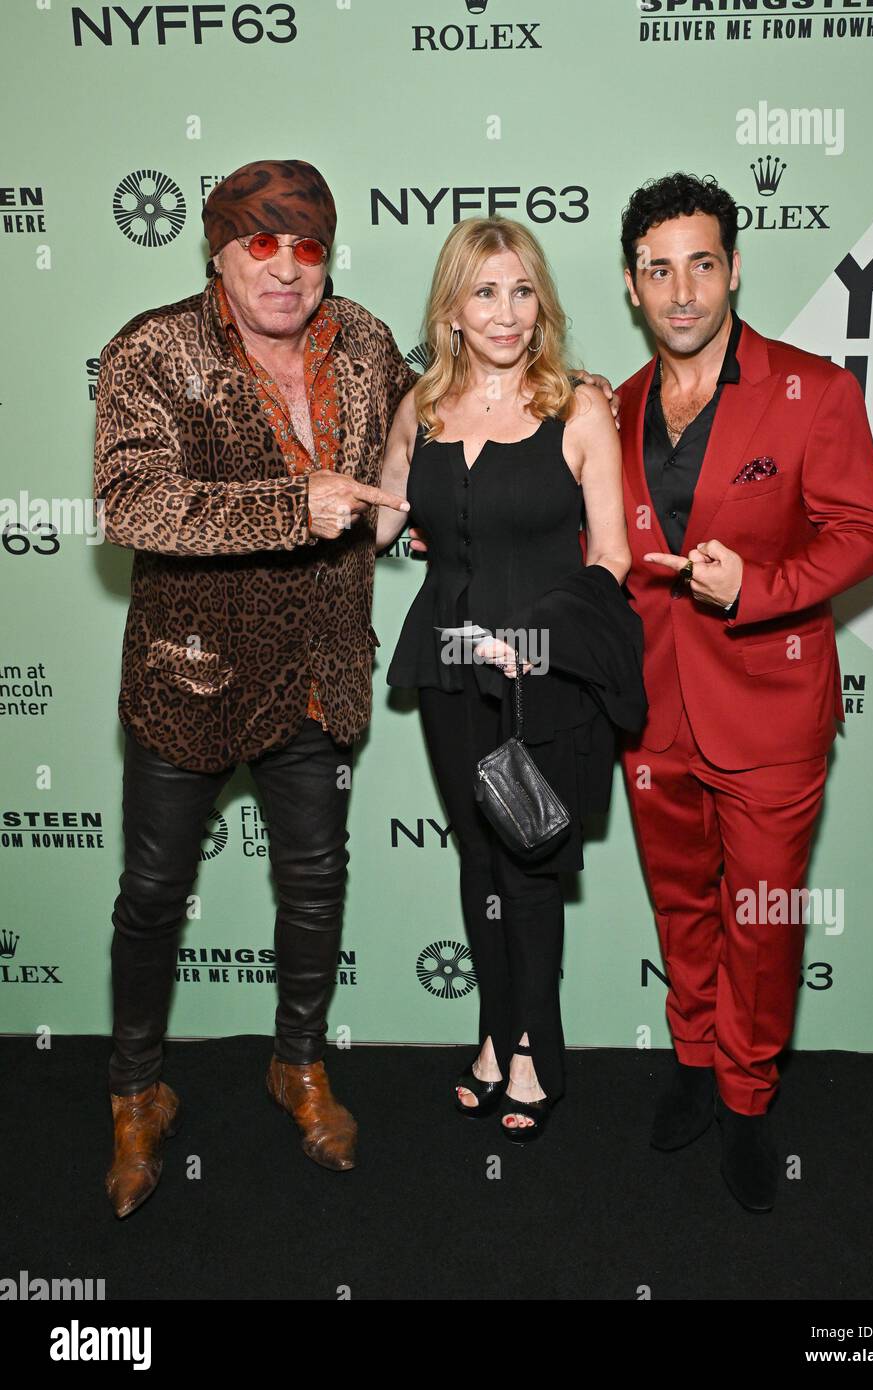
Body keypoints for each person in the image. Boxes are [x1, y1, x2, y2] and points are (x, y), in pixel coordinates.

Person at [93, 158, 418, 1217]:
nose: (285, 267)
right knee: (151, 893)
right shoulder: (155, 348)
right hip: (189, 676)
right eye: (261, 243)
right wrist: (291, 507)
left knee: (316, 880)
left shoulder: (366, 342)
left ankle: (299, 1062)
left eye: (308, 244)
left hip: (321, 668)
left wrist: (556, 393)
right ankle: (136, 1090)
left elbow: (439, 420)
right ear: (218, 251)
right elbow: (131, 504)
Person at [615, 173, 873, 1210]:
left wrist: (759, 589)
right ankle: (693, 1056)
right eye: (658, 268)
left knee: (762, 916)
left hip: (769, 710)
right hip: (648, 708)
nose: (681, 291)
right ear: (633, 285)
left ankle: (746, 1096)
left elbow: (866, 534)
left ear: (734, 268)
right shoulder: (617, 404)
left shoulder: (811, 389)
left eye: (700, 263)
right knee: (682, 900)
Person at [378, 217, 646, 1143]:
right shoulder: (420, 408)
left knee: (529, 862)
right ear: (451, 307)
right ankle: (494, 1034)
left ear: (543, 305)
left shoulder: (577, 407)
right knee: (479, 861)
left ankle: (538, 1052)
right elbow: (375, 524)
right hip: (450, 667)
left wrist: (532, 635)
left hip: (543, 675)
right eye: (485, 291)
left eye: (522, 291)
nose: (505, 311)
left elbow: (610, 557)